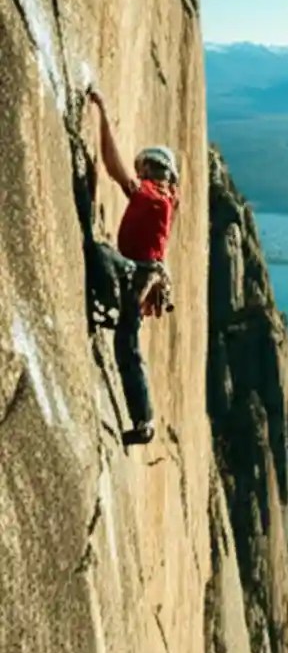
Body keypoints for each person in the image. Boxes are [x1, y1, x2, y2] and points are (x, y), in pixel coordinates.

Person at [86, 89, 180, 447]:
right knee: (127, 346)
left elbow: (114, 166)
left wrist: (104, 112)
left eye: (145, 168)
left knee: (97, 252)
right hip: (141, 273)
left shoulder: (156, 198)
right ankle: (144, 422)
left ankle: (107, 303)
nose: (141, 173)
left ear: (154, 170)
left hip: (135, 274)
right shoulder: (163, 199)